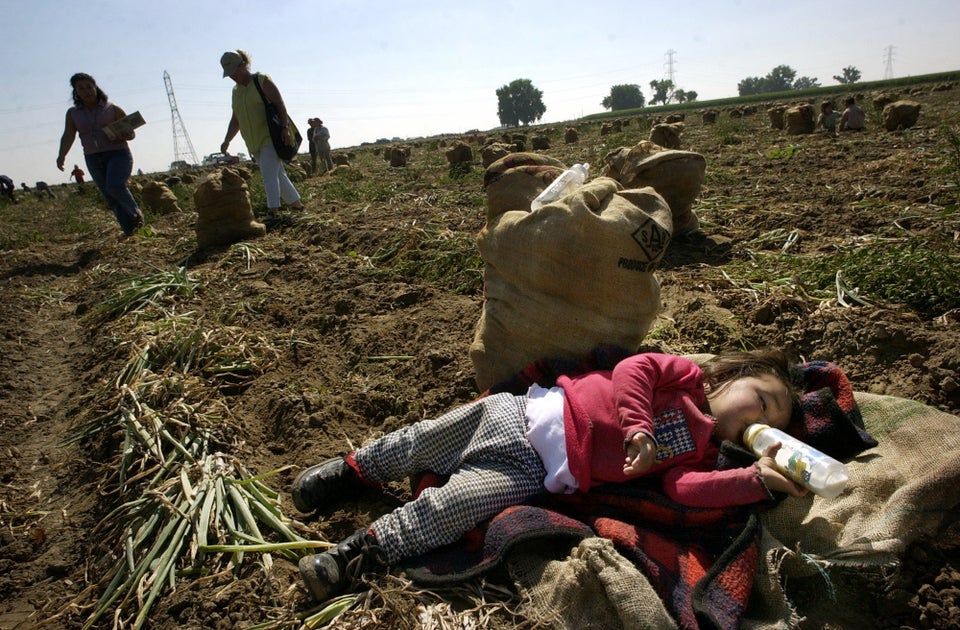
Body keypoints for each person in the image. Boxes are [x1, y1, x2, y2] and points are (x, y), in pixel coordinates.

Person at [292, 348, 807, 603]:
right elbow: (633, 371)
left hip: (533, 470)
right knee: (423, 439)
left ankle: (358, 552)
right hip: (521, 413)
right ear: (729, 376)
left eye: (772, 421)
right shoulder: (687, 377)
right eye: (762, 400)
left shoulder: (697, 453)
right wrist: (638, 427)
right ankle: (354, 470)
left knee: (455, 507)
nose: (760, 419)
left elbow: (680, 490)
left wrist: (753, 482)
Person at [56, 72, 144, 237]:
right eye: (81, 88)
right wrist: (62, 155)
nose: (86, 91)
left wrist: (126, 134)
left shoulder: (112, 108)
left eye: (89, 87)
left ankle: (135, 214)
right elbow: (68, 135)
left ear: (95, 87)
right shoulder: (73, 113)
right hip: (93, 157)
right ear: (76, 92)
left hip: (118, 154)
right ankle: (130, 232)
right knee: (109, 195)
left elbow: (131, 132)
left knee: (115, 186)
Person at [219, 50, 304, 215]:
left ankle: (274, 211)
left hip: (270, 137)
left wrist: (285, 128)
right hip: (253, 142)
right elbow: (236, 118)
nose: (232, 76)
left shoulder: (261, 81)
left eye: (234, 71)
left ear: (243, 65)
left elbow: (279, 104)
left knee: (268, 175)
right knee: (278, 174)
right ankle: (297, 205)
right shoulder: (236, 92)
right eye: (229, 74)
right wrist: (227, 140)